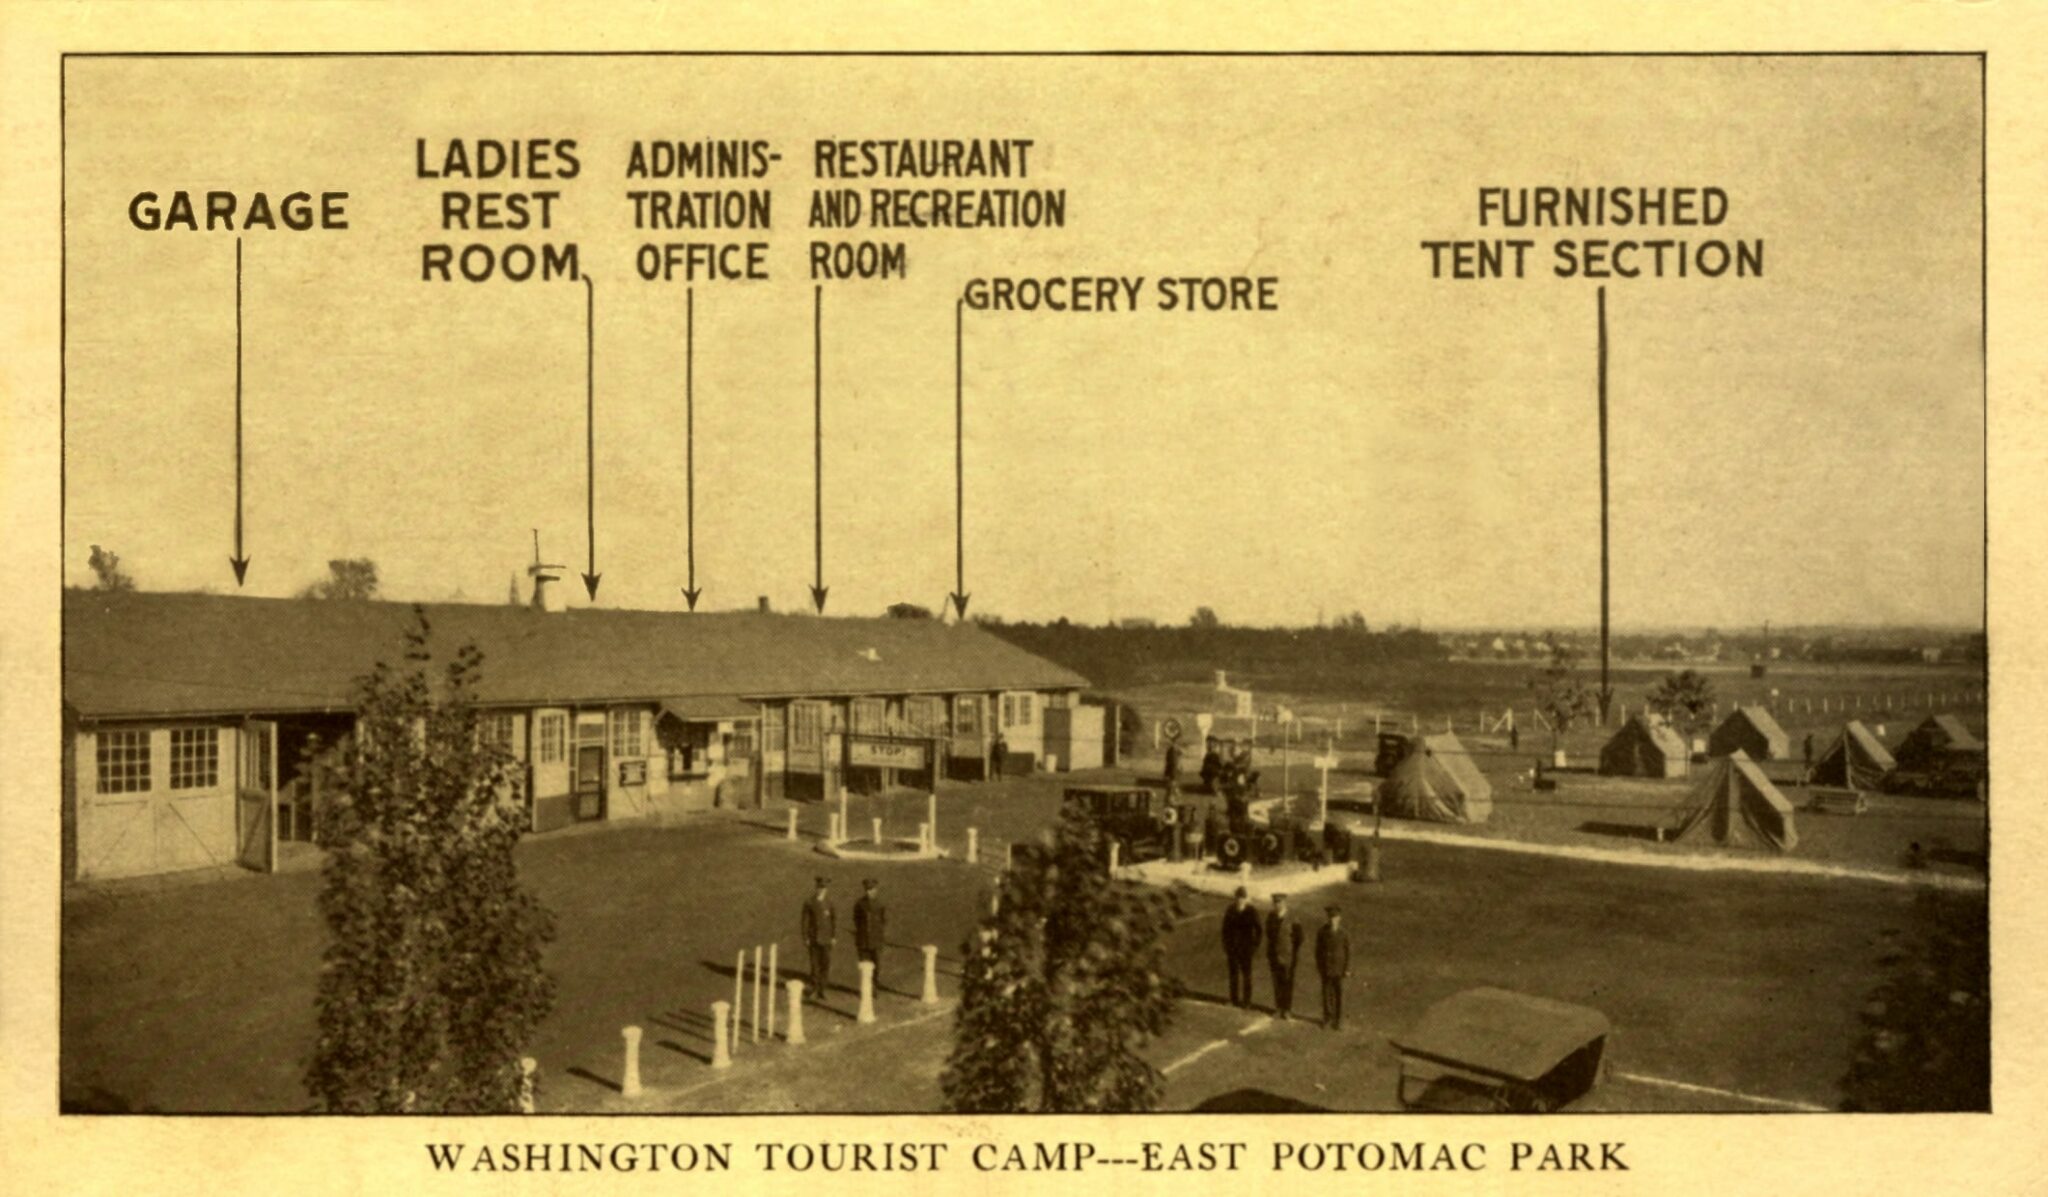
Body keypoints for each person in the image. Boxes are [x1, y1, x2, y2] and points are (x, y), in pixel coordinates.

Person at [1221, 886, 1263, 1009]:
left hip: (1246, 949)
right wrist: (1226, 945)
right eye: (1238, 898)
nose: (1240, 900)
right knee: (1233, 974)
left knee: (1246, 976)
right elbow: (1225, 930)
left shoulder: (1251, 911)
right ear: (1235, 898)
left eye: (1242, 898)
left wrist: (1254, 946)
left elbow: (1259, 930)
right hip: (1233, 948)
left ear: (1245, 899)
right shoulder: (1230, 910)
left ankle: (1247, 1002)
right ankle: (1234, 999)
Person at [1265, 893, 1304, 1020]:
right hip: (1274, 955)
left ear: (1285, 903)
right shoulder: (1271, 917)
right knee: (1276, 982)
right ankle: (1278, 1008)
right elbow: (1269, 934)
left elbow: (1299, 938)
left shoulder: (1293, 918)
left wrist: (1292, 951)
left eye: (1280, 902)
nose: (1278, 905)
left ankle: (1287, 1009)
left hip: (1288, 956)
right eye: (1275, 903)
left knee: (1287, 983)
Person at [801, 876, 835, 1003]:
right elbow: (805, 921)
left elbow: (833, 921)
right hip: (814, 939)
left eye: (824, 888)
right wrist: (805, 937)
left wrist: (833, 936)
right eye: (819, 888)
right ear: (816, 888)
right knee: (814, 965)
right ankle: (814, 987)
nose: (821, 890)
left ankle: (822, 989)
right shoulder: (809, 903)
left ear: (826, 889)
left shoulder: (829, 903)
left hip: (826, 939)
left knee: (825, 964)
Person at [1315, 905, 1351, 1030]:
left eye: (1335, 917)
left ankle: (1338, 1019)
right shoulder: (1322, 932)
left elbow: (1348, 952)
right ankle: (1327, 1018)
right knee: (1326, 993)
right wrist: (1320, 966)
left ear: (1339, 918)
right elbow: (1318, 951)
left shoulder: (1343, 933)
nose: (1332, 920)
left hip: (1339, 969)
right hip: (1326, 967)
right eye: (1330, 917)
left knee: (1339, 994)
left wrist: (1346, 969)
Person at [853, 878, 887, 992]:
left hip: (876, 940)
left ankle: (875, 985)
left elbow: (884, 920)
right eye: (867, 890)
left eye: (871, 889)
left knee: (876, 965)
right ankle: (867, 988)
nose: (869, 892)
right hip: (863, 940)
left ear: (876, 890)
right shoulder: (860, 904)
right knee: (864, 966)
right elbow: (856, 919)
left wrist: (879, 934)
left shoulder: (880, 904)